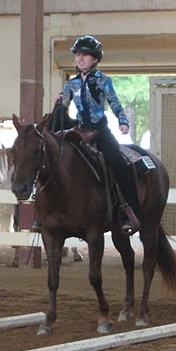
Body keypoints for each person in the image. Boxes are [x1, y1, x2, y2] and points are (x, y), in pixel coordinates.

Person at [59, 35, 140, 235]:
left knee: (119, 164)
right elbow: (62, 108)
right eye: (78, 55)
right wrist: (56, 113)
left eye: (85, 55)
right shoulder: (71, 84)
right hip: (79, 130)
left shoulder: (104, 81)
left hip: (100, 131)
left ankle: (129, 211)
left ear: (95, 59)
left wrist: (123, 121)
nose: (80, 58)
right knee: (55, 160)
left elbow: (114, 103)